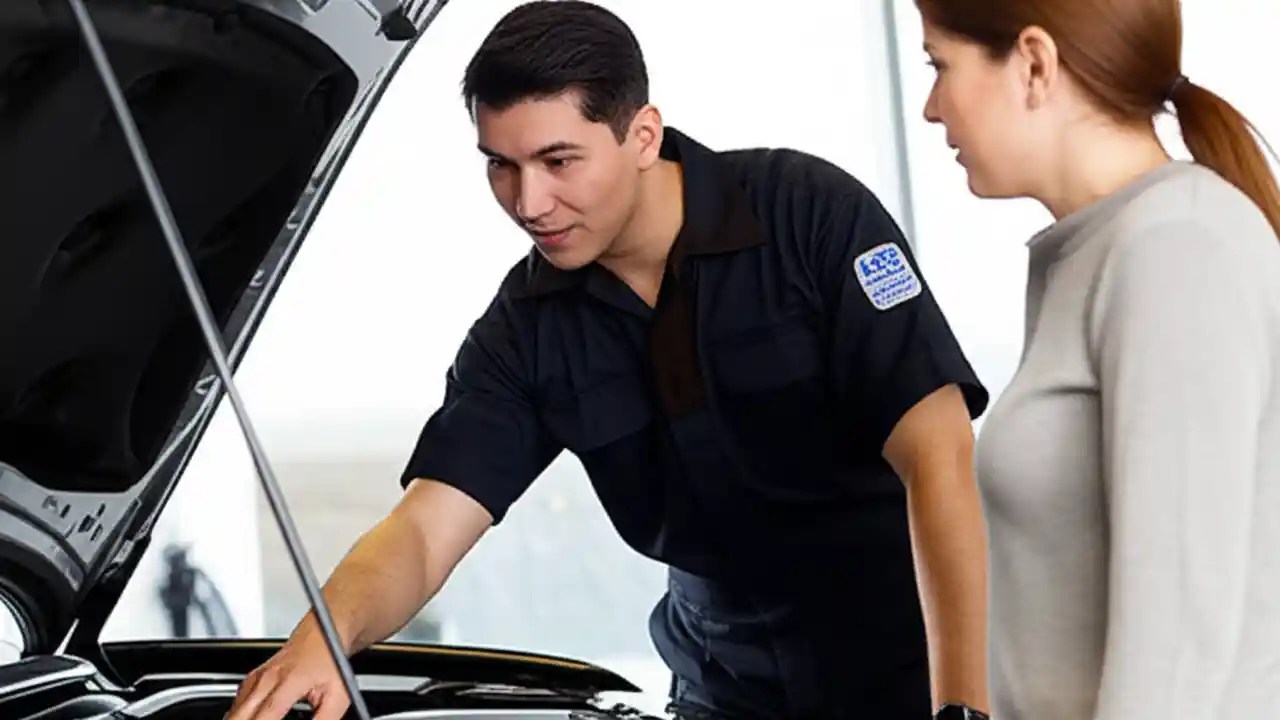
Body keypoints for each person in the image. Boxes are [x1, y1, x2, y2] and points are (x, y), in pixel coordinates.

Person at [228, 3, 994, 718]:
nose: (529, 202)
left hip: (911, 668)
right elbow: (425, 531)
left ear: (643, 135)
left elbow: (939, 456)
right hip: (720, 690)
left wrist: (963, 705)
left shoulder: (809, 214)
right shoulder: (522, 331)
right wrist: (321, 639)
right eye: (501, 165)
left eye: (558, 161)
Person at [914, 0, 1280, 718]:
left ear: (1034, 64)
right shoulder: (1097, 250)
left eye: (940, 66)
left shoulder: (1177, 247)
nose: (930, 108)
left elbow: (1176, 663)